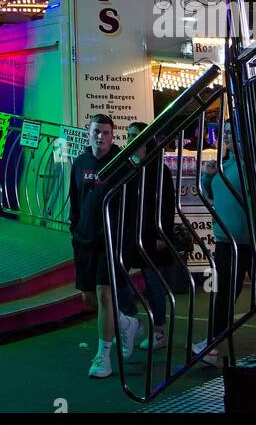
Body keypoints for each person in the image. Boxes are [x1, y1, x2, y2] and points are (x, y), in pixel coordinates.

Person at [69, 114, 141, 379]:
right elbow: (75, 201)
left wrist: (128, 241)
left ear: (113, 136)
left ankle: (103, 356)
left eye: (106, 133)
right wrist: (74, 229)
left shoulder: (121, 165)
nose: (101, 137)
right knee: (89, 299)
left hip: (110, 241)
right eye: (97, 132)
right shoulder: (80, 163)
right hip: (84, 240)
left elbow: (131, 207)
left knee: (103, 294)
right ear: (89, 133)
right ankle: (126, 323)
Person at [192, 120, 253, 364]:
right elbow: (211, 193)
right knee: (225, 291)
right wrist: (207, 177)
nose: (227, 136)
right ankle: (213, 342)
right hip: (226, 240)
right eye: (225, 132)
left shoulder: (249, 165)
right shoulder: (224, 164)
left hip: (247, 240)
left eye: (233, 132)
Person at [119, 119, 177, 350]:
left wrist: (163, 234)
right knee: (119, 277)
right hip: (130, 234)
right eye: (130, 134)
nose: (132, 138)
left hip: (152, 235)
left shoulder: (157, 168)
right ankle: (133, 320)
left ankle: (159, 331)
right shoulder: (126, 166)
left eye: (136, 135)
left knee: (154, 283)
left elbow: (167, 203)